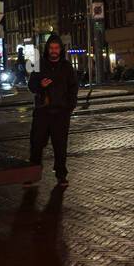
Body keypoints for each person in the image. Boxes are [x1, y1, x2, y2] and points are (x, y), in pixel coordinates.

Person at [27, 33, 78, 186]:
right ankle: (33, 174)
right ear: (47, 49)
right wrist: (40, 86)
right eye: (51, 48)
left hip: (61, 113)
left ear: (60, 49)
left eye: (56, 48)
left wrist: (70, 106)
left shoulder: (67, 67)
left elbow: (73, 87)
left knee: (60, 145)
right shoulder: (39, 64)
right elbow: (31, 86)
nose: (53, 51)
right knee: (36, 144)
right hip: (42, 111)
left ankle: (61, 174)